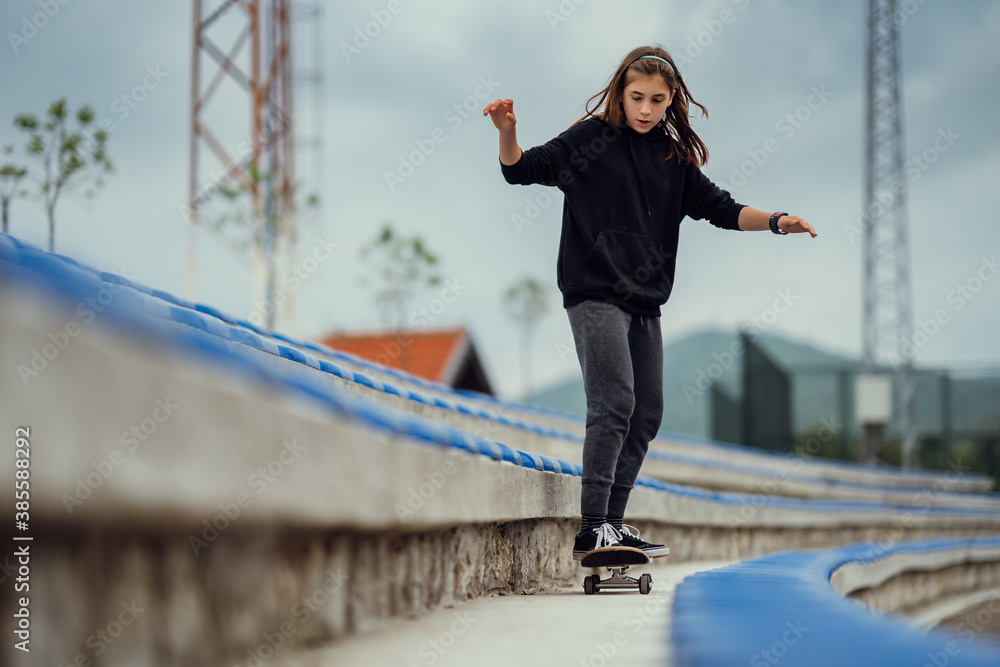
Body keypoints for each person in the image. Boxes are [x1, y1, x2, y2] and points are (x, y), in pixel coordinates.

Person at [484, 45, 817, 560]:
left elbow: (721, 208)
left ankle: (613, 524)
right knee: (614, 401)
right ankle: (593, 525)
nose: (645, 109)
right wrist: (507, 130)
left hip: (644, 301)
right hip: (593, 292)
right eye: (636, 96)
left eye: (657, 100)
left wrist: (776, 220)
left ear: (671, 101)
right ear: (620, 91)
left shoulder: (673, 158)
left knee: (647, 414)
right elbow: (521, 169)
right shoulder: (589, 139)